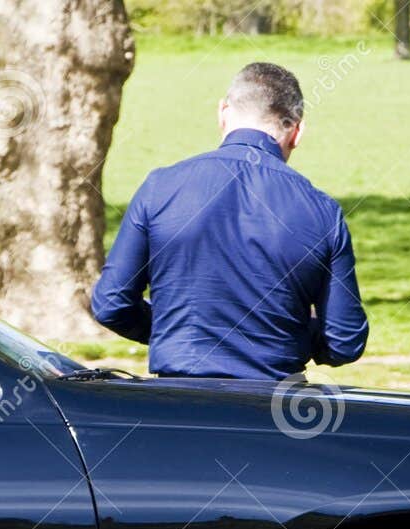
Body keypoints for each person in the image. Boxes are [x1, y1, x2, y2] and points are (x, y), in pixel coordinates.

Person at [91, 62, 368, 381]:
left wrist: (179, 330)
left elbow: (111, 303)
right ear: (297, 131)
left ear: (223, 111)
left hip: (175, 405)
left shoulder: (160, 187)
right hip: (277, 408)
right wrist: (282, 336)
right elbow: (345, 340)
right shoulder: (322, 211)